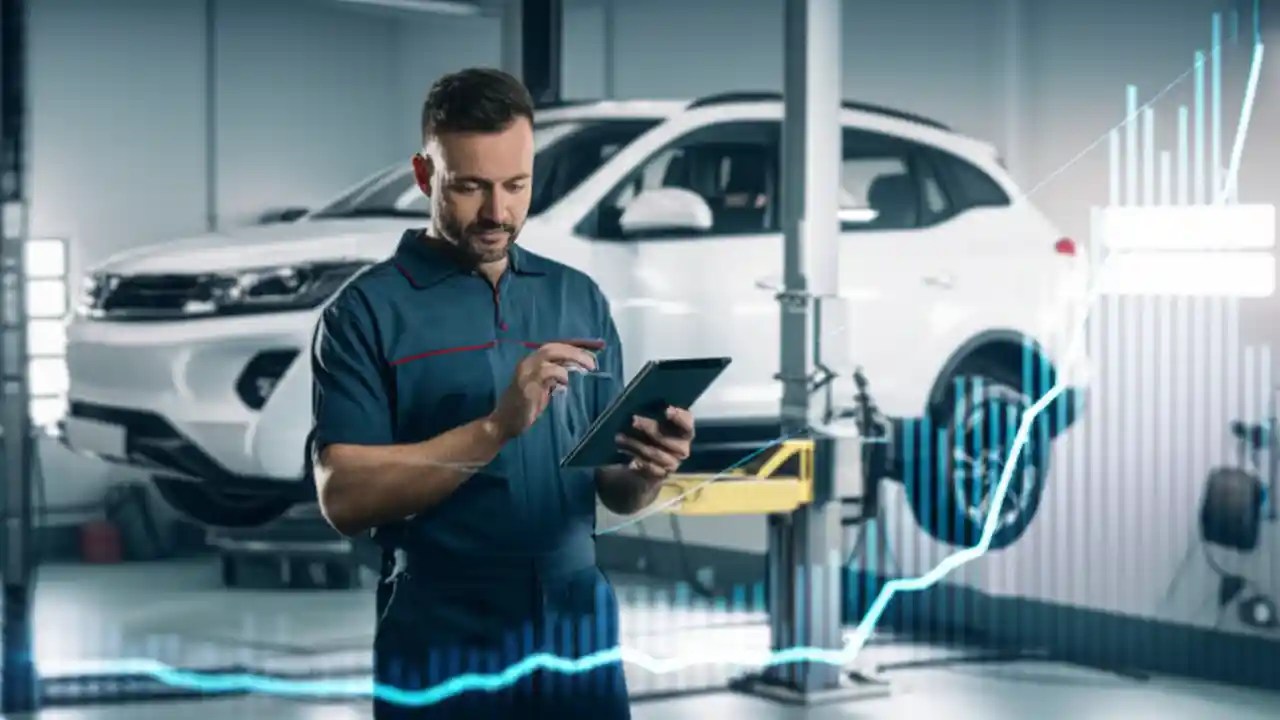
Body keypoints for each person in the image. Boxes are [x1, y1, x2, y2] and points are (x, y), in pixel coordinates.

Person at [308, 67, 696, 719]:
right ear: (424, 175)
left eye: (516, 185)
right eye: (470, 187)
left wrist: (649, 468)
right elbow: (342, 497)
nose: (498, 212)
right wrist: (494, 429)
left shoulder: (577, 297)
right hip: (443, 635)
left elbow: (614, 490)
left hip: (577, 627)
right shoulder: (365, 314)